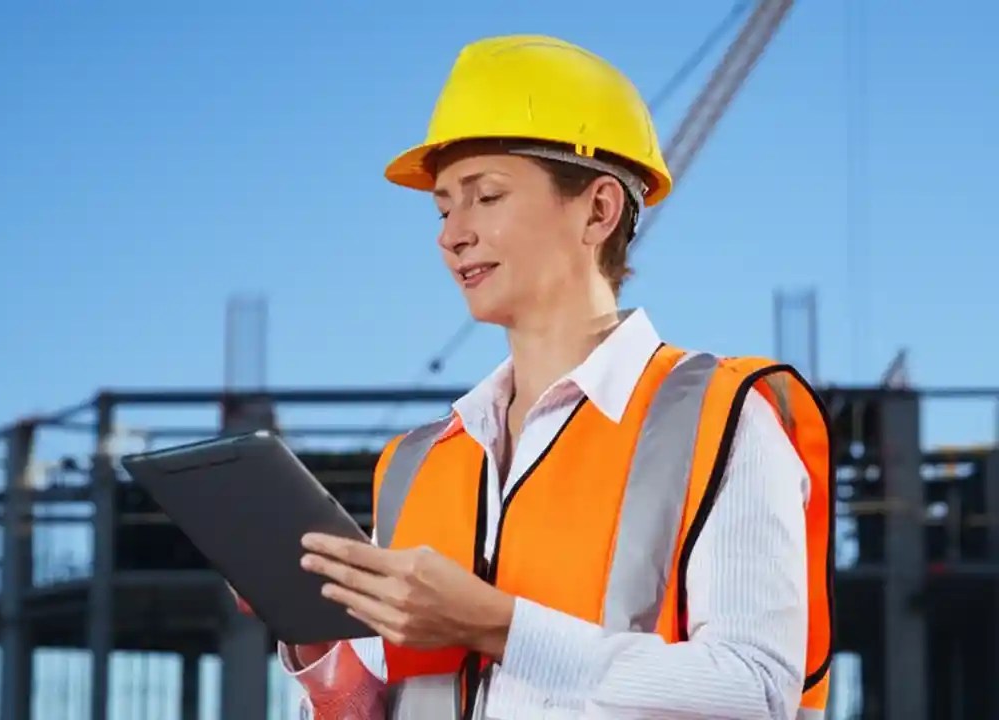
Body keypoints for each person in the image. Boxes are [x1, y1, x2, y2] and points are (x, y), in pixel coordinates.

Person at [243, 33, 834, 719]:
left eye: (486, 197)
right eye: (443, 208)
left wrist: (499, 627)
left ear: (599, 210)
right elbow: (376, 706)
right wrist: (314, 640)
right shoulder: (417, 466)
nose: (451, 235)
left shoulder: (721, 417)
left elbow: (757, 691)